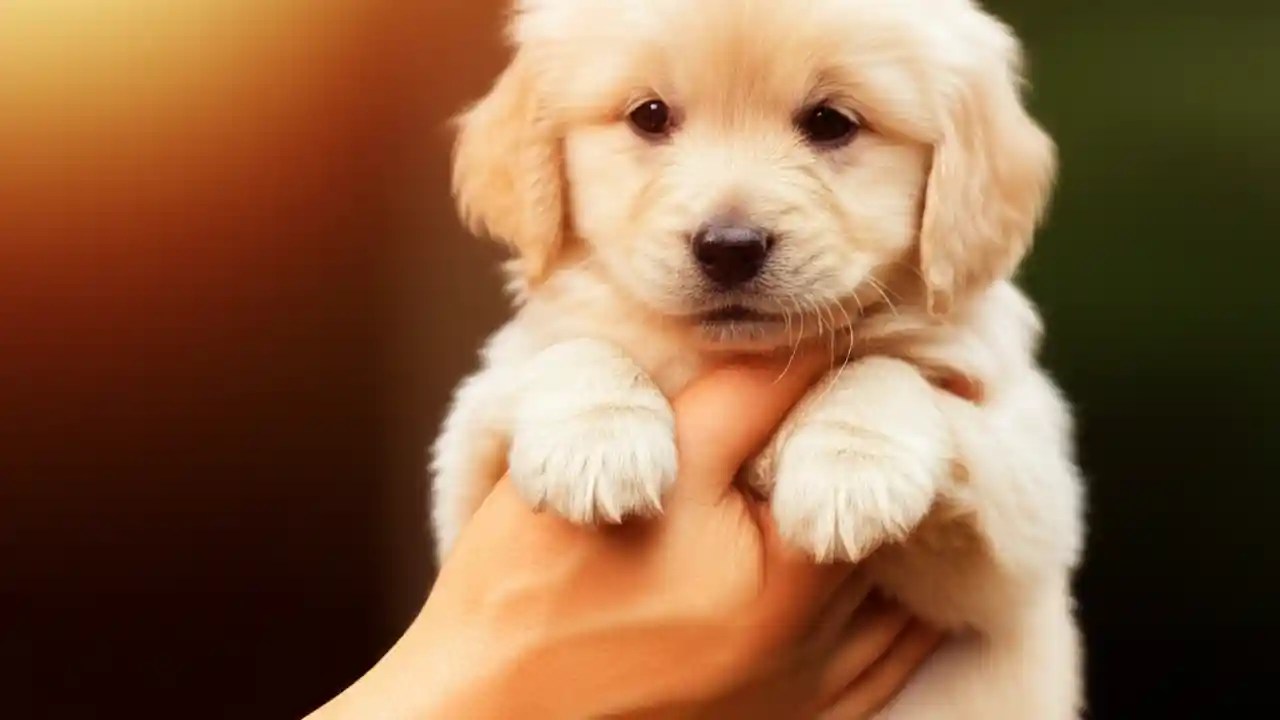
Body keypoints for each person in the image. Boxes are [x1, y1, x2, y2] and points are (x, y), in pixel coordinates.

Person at [307, 356, 942, 719]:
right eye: (652, 115)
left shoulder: (931, 361)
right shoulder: (568, 353)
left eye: (829, 122)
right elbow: (485, 492)